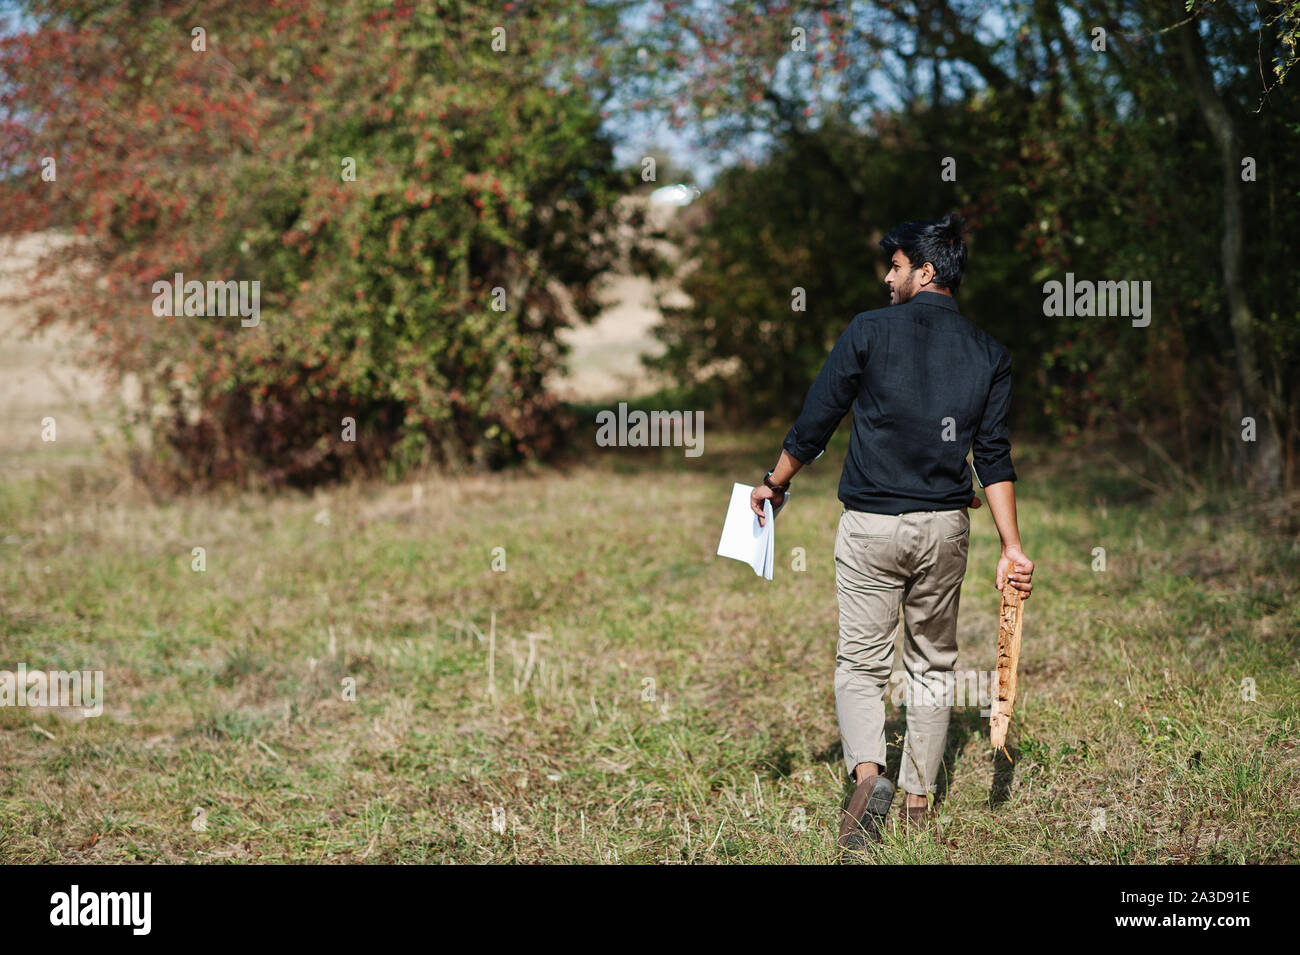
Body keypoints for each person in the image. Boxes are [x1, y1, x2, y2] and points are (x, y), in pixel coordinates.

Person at [749, 212, 1035, 857]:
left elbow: (817, 418)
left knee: (861, 663)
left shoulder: (868, 332)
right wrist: (1011, 545)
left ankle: (868, 775)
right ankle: (915, 801)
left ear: (925, 272)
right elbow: (992, 455)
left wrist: (776, 482)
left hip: (872, 526)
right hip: (944, 530)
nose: (888, 276)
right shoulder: (990, 352)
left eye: (897, 266)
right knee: (932, 664)